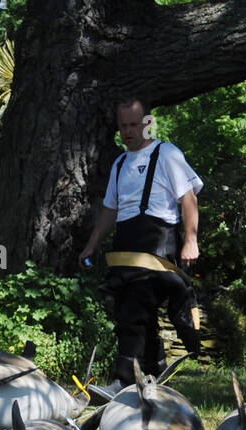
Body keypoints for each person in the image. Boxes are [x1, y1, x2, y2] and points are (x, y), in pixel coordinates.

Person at [78, 97, 203, 388]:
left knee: (133, 310)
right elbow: (111, 210)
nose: (128, 131)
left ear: (147, 123)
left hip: (157, 246)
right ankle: (154, 374)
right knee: (131, 308)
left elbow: (189, 198)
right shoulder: (120, 164)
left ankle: (124, 381)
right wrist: (91, 245)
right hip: (125, 247)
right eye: (123, 126)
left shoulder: (167, 154)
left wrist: (191, 240)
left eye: (134, 124)